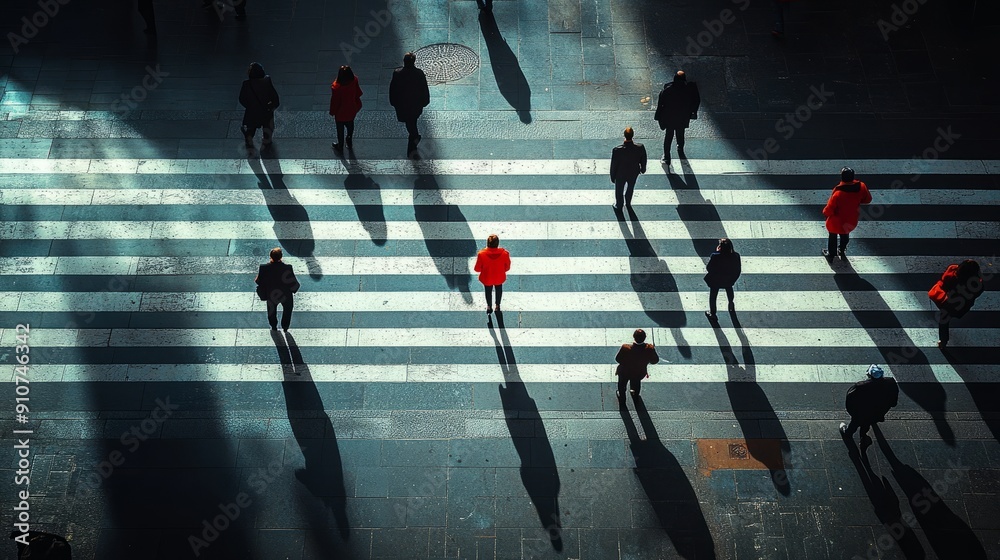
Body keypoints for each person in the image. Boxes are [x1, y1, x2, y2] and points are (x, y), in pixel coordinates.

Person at [928, 259, 984, 348]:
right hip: (961, 306)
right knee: (946, 319)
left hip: (947, 302)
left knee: (943, 321)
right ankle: (943, 342)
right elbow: (978, 292)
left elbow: (944, 281)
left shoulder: (952, 270)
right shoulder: (976, 284)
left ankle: (943, 341)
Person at [840, 365, 898, 447]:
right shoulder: (891, 383)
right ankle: (863, 437)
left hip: (861, 413)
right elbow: (894, 402)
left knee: (854, 424)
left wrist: (852, 411)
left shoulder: (860, 386)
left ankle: (848, 434)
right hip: (878, 412)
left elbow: (850, 400)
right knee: (866, 424)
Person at [821, 166, 871, 262]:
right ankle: (842, 249)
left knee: (833, 235)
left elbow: (829, 209)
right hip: (851, 217)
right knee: (845, 234)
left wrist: (825, 213)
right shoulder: (861, 187)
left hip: (836, 220)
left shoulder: (838, 194)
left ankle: (831, 254)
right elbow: (867, 199)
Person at [653, 71, 700, 165]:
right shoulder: (689, 90)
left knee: (668, 136)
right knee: (680, 133)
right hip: (682, 116)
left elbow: (660, 105)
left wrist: (657, 116)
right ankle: (680, 147)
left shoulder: (667, 90)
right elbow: (696, 100)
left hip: (669, 117)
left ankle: (667, 157)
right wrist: (692, 112)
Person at [389, 52, 430, 157]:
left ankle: (414, 140)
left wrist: (393, 101)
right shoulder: (419, 73)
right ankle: (413, 141)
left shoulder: (397, 73)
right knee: (412, 121)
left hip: (402, 105)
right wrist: (425, 101)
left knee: (410, 123)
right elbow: (424, 89)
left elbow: (393, 89)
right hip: (415, 104)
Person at [255, 247, 300, 332]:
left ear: (270, 256)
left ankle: (274, 326)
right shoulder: (287, 268)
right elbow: (293, 283)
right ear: (281, 257)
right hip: (286, 294)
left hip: (271, 293)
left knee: (271, 311)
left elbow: (258, 281)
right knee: (287, 310)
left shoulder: (264, 268)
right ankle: (285, 326)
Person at [239, 62, 280, 148]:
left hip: (252, 111)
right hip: (266, 110)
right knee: (267, 127)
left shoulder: (246, 84)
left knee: (251, 128)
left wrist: (250, 106)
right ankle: (267, 141)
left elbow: (242, 99)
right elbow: (274, 97)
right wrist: (271, 107)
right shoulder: (267, 81)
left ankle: (249, 140)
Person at [615, 329, 659, 404]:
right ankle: (635, 394)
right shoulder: (649, 348)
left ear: (634, 337)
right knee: (636, 382)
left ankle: (622, 398)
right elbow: (655, 361)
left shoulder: (625, 348)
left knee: (622, 384)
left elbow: (618, 359)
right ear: (644, 338)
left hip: (624, 371)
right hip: (639, 372)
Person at [609, 127, 647, 210]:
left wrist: (612, 176)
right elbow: (643, 159)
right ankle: (628, 202)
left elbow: (614, 165)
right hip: (633, 172)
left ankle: (619, 205)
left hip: (620, 173)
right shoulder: (640, 147)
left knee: (619, 189)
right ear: (632, 135)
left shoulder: (617, 150)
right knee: (630, 187)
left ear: (624, 136)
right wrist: (643, 169)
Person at [704, 238, 742, 319]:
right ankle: (731, 303)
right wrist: (733, 279)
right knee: (729, 289)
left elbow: (709, 268)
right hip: (729, 279)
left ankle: (713, 313)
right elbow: (738, 269)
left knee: (713, 296)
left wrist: (717, 252)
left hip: (716, 280)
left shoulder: (715, 256)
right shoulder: (736, 256)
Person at [474, 234, 511, 317]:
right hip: (499, 277)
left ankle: (489, 306)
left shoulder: (481, 254)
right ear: (497, 243)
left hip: (487, 278)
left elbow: (477, 269)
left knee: (488, 292)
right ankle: (497, 306)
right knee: (499, 290)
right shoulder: (505, 254)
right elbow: (507, 267)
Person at [329, 65, 363, 152]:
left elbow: (335, 102)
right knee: (350, 124)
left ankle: (340, 145)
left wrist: (332, 111)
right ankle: (349, 139)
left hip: (340, 112)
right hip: (352, 108)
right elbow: (358, 93)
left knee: (340, 129)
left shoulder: (336, 88)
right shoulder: (354, 80)